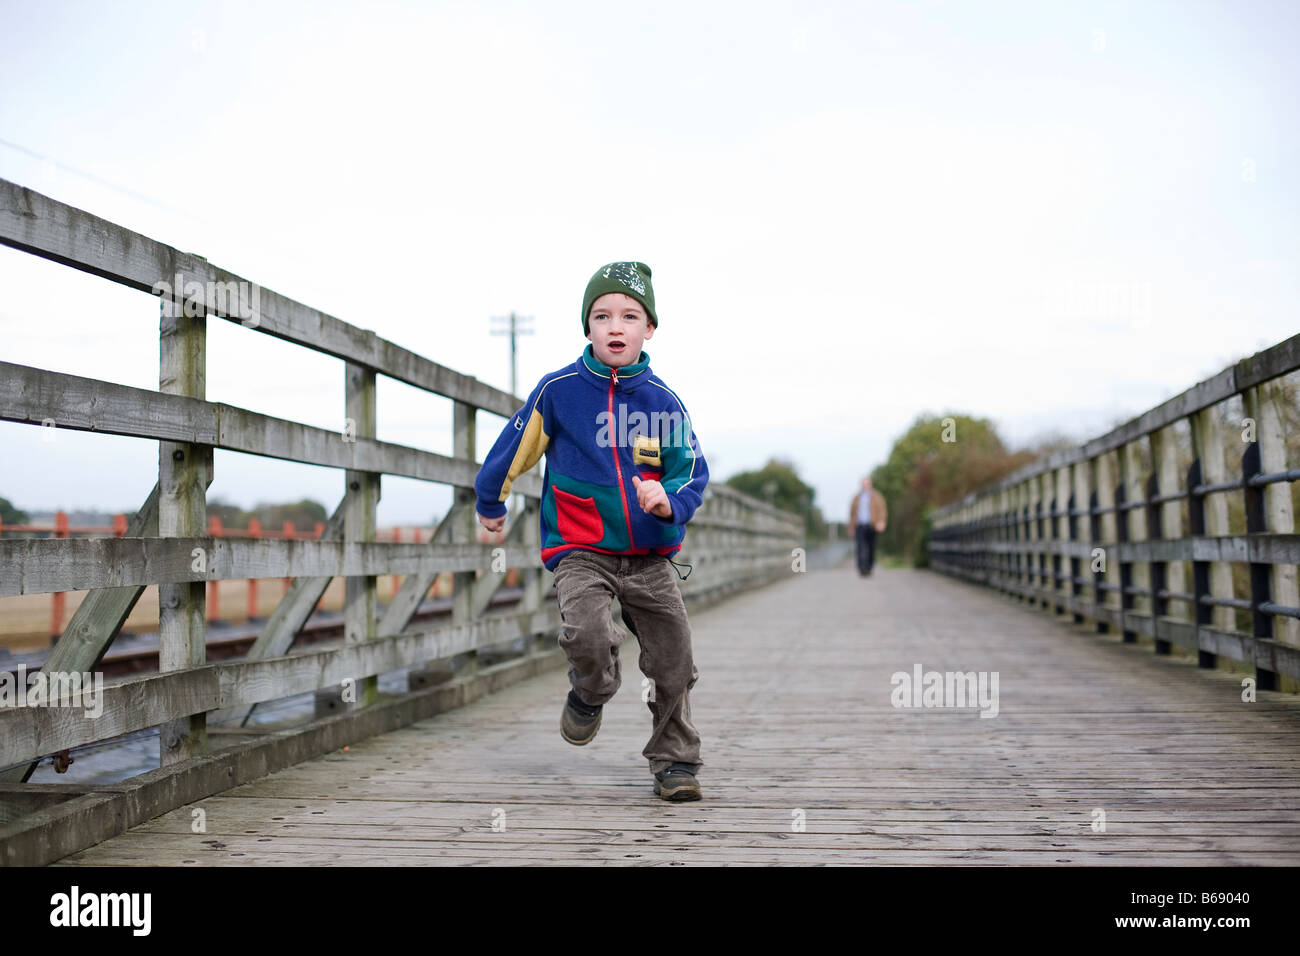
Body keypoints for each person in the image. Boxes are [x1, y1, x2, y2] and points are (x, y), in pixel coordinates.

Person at [473, 261, 710, 801]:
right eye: (602, 316)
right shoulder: (559, 391)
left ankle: (675, 760)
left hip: (650, 557)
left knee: (674, 658)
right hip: (581, 549)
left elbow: (692, 470)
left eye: (629, 316)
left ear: (650, 329)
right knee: (588, 634)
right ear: (588, 328)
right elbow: (515, 447)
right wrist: (492, 497)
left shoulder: (663, 402)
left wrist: (669, 501)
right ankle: (592, 688)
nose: (615, 326)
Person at [849, 476, 887, 576]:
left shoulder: (877, 496)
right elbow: (852, 513)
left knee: (871, 547)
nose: (865, 486)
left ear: (870, 484)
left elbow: (882, 510)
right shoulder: (857, 497)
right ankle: (862, 568)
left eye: (867, 484)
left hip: (872, 525)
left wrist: (881, 522)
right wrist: (851, 527)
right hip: (860, 525)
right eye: (863, 484)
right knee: (860, 547)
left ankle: (869, 567)